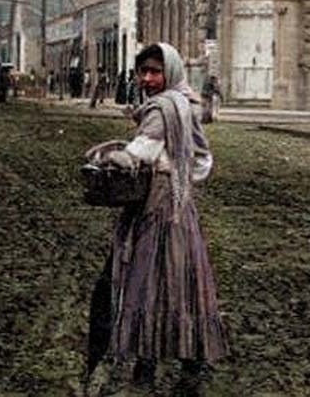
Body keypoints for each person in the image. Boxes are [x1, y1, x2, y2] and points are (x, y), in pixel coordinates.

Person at [85, 43, 228, 394]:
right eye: (143, 71)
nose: (148, 78)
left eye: (155, 71)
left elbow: (140, 153)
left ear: (170, 72)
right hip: (181, 209)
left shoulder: (161, 108)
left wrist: (110, 158)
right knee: (183, 282)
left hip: (156, 210)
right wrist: (176, 173)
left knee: (145, 281)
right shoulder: (184, 103)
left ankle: (145, 367)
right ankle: (192, 360)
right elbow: (202, 162)